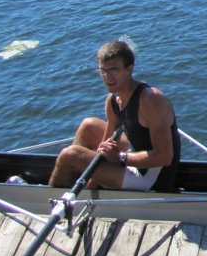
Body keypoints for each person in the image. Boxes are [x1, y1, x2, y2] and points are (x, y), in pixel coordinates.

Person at [48, 40, 181, 190]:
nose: (107, 77)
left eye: (114, 70)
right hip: (132, 154)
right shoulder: (113, 100)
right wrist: (96, 175)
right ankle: (78, 184)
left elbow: (165, 157)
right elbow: (106, 146)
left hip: (151, 180)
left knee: (69, 155)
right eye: (102, 71)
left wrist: (120, 158)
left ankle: (54, 197)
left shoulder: (152, 100)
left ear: (129, 69)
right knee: (88, 126)